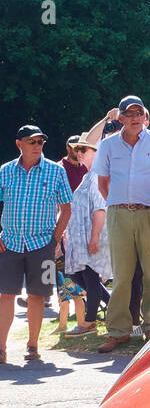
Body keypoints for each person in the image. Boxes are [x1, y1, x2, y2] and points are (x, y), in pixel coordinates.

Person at [90, 95, 150, 352]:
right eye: (130, 114)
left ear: (145, 116)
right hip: (119, 214)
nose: (136, 118)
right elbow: (103, 183)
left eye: (140, 113)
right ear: (122, 118)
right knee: (122, 275)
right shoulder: (108, 145)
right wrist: (121, 204)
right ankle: (117, 331)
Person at [0, 125, 73, 362]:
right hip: (8, 243)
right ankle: (1, 348)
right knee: (6, 295)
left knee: (38, 295)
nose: (37, 146)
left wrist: (55, 238)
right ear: (19, 144)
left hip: (43, 245)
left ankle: (33, 345)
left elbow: (67, 208)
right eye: (32, 142)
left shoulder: (55, 171)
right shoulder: (5, 171)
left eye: (40, 142)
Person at [62, 167, 112, 337]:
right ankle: (112, 305)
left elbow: (100, 209)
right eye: (78, 150)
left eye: (84, 150)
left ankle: (89, 322)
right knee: (78, 276)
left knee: (90, 278)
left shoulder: (98, 175)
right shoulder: (87, 176)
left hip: (91, 236)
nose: (79, 153)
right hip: (80, 238)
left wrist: (94, 237)